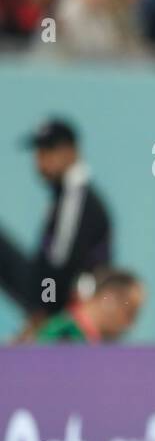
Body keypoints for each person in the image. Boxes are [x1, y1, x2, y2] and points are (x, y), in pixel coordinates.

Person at [0, 117, 113, 328]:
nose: (40, 161)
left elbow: (59, 264)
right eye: (38, 152)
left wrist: (46, 310)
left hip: (62, 300)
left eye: (48, 150)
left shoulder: (75, 197)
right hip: (53, 294)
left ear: (71, 152)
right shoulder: (65, 195)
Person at [35, 269, 144, 343]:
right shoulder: (65, 334)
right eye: (130, 313)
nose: (131, 325)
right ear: (110, 300)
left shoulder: (77, 337)